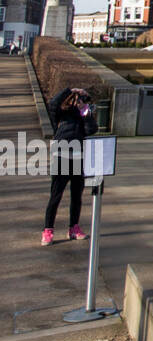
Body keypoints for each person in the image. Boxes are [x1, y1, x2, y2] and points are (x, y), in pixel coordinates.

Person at [42, 86, 97, 246]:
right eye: (76, 99)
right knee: (56, 196)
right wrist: (69, 90)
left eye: (80, 100)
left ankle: (74, 228)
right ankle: (48, 230)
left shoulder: (84, 116)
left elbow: (91, 129)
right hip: (61, 157)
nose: (78, 102)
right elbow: (53, 103)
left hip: (78, 158)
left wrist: (85, 112)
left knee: (76, 196)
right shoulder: (61, 114)